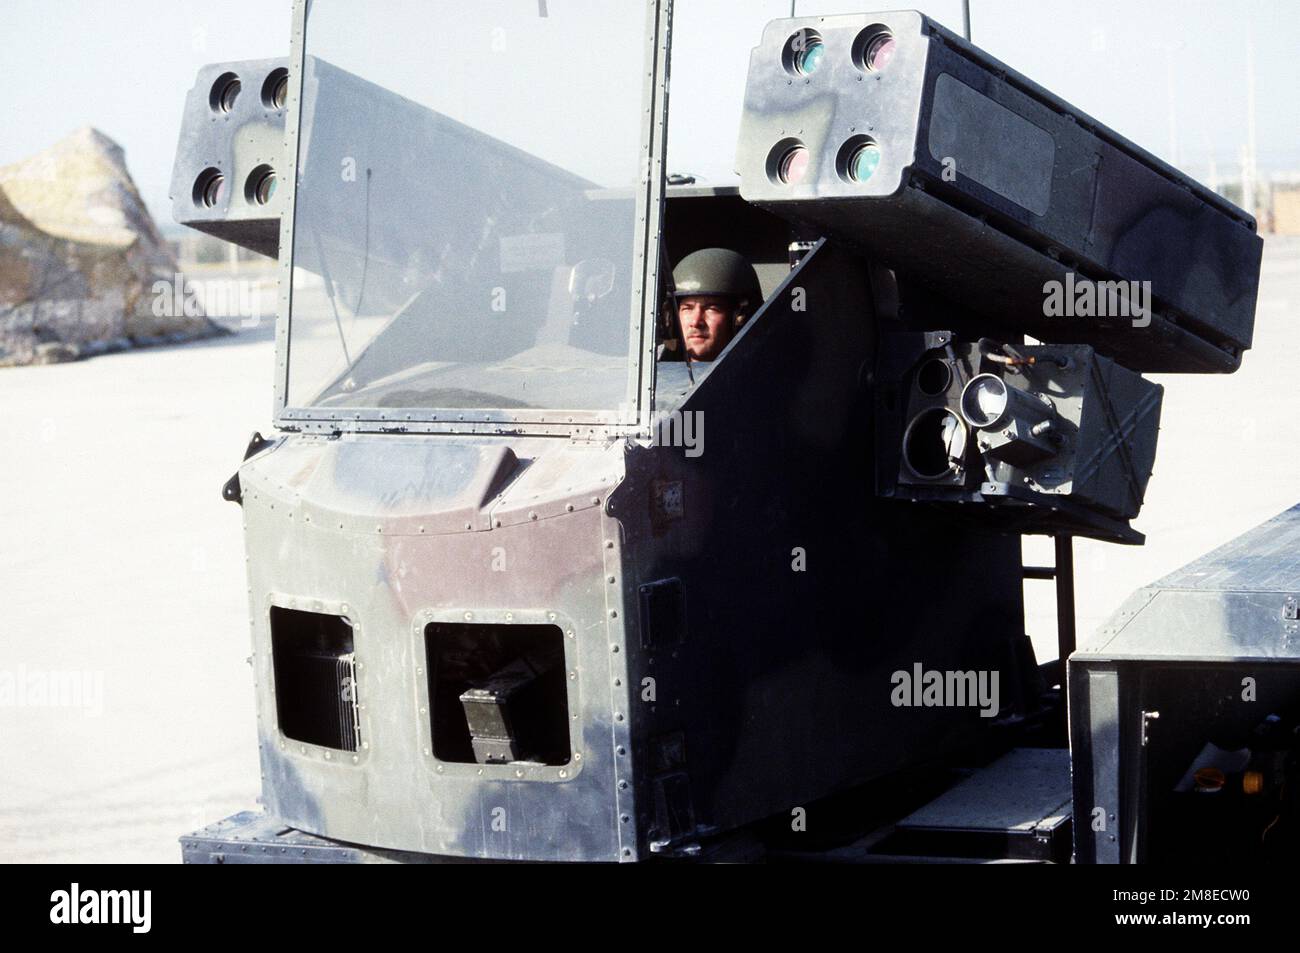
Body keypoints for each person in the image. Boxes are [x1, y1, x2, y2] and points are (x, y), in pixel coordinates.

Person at [662, 248, 762, 363]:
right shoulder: (652, 374)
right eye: (687, 308)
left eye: (711, 309)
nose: (695, 322)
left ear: (742, 319)